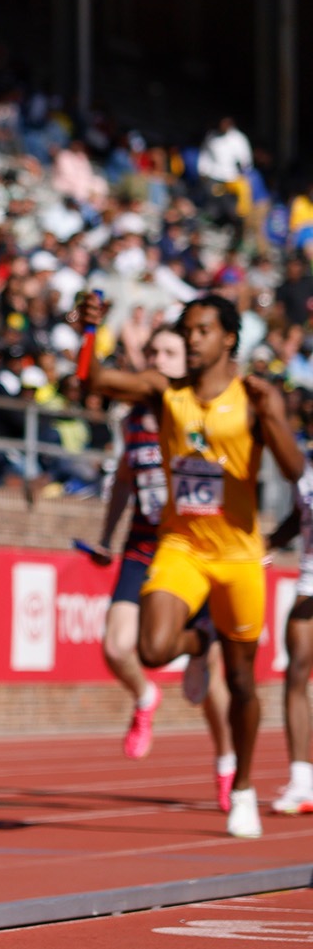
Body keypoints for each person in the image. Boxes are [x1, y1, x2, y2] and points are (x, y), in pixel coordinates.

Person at [74, 293, 305, 839]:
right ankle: (202, 645)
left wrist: (272, 414)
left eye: (202, 331)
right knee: (152, 648)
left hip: (239, 556)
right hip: (182, 547)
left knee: (245, 683)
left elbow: (296, 470)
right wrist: (89, 334)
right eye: (187, 330)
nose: (193, 339)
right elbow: (95, 385)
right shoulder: (165, 391)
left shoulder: (251, 397)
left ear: (229, 338)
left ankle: (244, 788)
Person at [86, 324, 232, 805]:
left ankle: (227, 759)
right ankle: (145, 697)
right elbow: (126, 480)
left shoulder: (197, 413)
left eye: (169, 351)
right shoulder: (132, 420)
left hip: (194, 547)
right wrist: (106, 536)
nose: (159, 358)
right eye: (152, 351)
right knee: (115, 644)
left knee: (207, 687)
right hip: (145, 542)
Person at [265, 471, 313, 816]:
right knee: (296, 672)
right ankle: (302, 781)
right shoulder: (304, 468)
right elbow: (299, 516)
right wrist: (266, 543)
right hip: (309, 584)